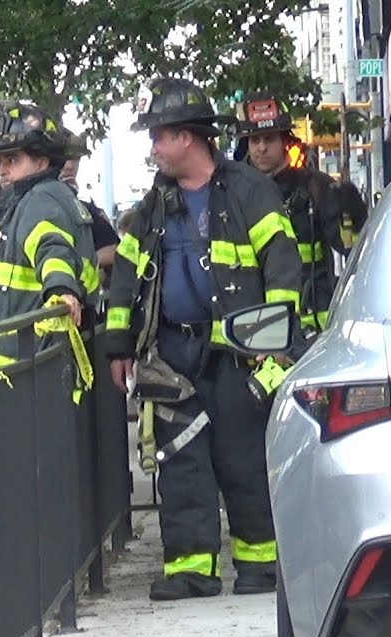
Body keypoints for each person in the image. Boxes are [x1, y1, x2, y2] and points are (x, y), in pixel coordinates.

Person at [106, 78, 303, 601]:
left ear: (188, 138)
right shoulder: (154, 205)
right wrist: (119, 347)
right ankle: (190, 570)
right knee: (181, 464)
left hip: (241, 355)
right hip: (174, 356)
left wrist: (276, 341)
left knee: (244, 461)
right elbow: (126, 277)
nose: (153, 148)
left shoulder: (247, 190)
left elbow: (282, 267)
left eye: (159, 136)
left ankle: (260, 567)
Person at [0, 102, 98, 351]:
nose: (2, 171)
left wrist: (60, 290)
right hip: (20, 369)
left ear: (42, 163)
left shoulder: (39, 200)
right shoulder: (43, 197)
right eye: (0, 162)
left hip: (20, 375)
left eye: (12, 160)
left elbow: (52, 247)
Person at [233, 93, 357, 332]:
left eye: (269, 139)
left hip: (314, 328)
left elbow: (353, 252)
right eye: (254, 140)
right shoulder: (236, 194)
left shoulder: (316, 187)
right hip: (259, 329)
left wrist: (353, 213)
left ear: (284, 141)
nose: (261, 148)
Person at [58, 131, 119, 281]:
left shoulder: (85, 209)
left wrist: (82, 264)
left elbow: (115, 250)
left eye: (76, 159)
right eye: (64, 158)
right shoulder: (28, 204)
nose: (70, 165)